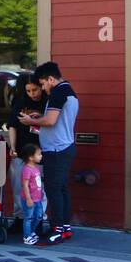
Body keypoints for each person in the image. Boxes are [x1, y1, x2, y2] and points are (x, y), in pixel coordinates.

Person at [23, 61, 79, 245]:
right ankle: (65, 227)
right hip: (64, 146)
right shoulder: (68, 91)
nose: (43, 87)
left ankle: (56, 229)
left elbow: (52, 121)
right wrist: (40, 118)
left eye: (43, 83)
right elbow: (55, 119)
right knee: (62, 189)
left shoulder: (58, 93)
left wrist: (29, 122)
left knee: (54, 189)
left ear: (51, 79)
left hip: (56, 149)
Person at [6, 73, 45, 223]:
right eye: (28, 90)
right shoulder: (20, 101)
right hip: (22, 150)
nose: (32, 94)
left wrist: (38, 118)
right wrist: (13, 147)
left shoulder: (47, 102)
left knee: (40, 188)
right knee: (18, 186)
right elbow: (12, 126)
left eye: (34, 90)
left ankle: (39, 219)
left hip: (40, 151)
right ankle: (20, 218)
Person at [18, 143, 46, 245]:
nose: (41, 156)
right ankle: (26, 236)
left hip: (37, 198)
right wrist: (28, 198)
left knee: (39, 216)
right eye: (39, 154)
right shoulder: (27, 169)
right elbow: (25, 185)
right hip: (29, 199)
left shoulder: (36, 168)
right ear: (30, 157)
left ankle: (31, 232)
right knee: (28, 217)